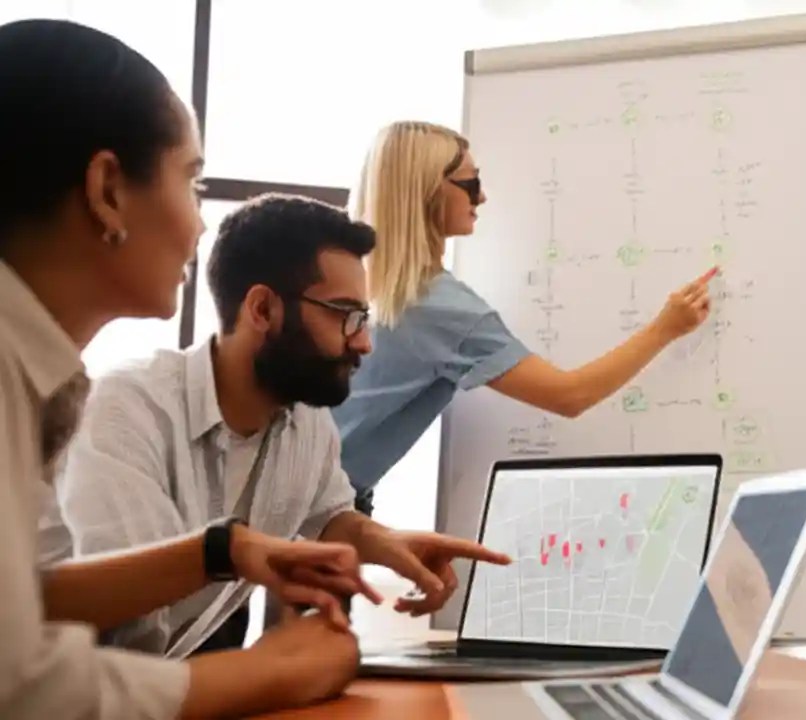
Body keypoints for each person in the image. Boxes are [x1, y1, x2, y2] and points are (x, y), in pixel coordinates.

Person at [0, 18, 382, 718]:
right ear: (108, 190)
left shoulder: (33, 376)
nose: (200, 226)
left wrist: (225, 551)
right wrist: (273, 672)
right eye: (193, 182)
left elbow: (32, 601)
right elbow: (23, 686)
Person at [43, 192, 513, 658]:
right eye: (347, 317)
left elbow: (327, 516)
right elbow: (129, 625)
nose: (365, 343)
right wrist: (277, 667)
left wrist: (387, 544)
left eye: (363, 319)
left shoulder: (305, 419)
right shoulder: (127, 409)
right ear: (263, 309)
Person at [331, 121, 716, 514]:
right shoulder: (437, 306)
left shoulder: (351, 281)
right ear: (428, 191)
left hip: (306, 495)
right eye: (470, 184)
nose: (481, 198)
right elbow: (569, 396)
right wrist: (665, 328)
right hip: (318, 504)